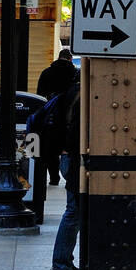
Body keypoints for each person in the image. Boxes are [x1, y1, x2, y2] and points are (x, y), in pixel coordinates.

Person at [50, 84, 82, 270]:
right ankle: (60, 265)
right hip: (73, 159)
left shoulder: (72, 91)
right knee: (73, 213)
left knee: (75, 213)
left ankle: (64, 263)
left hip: (69, 157)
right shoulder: (82, 94)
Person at [36, 50, 77, 186]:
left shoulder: (46, 73)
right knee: (68, 148)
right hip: (70, 119)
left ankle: (54, 178)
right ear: (70, 59)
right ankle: (69, 177)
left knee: (50, 150)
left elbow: (39, 96)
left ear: (58, 58)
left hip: (51, 119)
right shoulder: (76, 74)